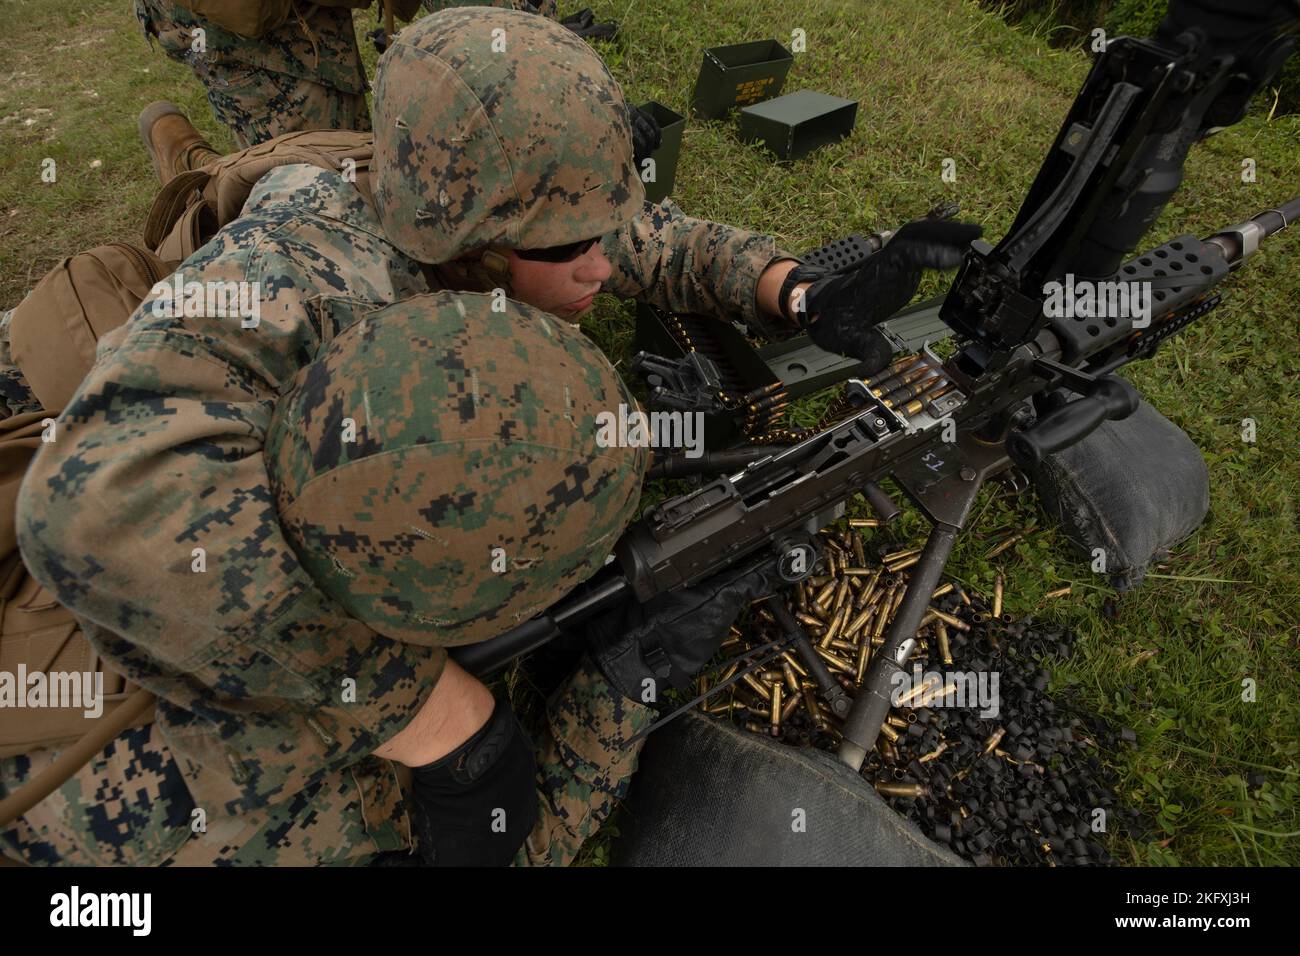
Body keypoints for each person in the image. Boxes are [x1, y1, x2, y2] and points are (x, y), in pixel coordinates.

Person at [4, 8, 976, 865]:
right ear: (474, 248)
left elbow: (628, 237)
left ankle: (179, 151)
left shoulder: (445, 195)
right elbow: (98, 510)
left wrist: (788, 287)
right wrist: (440, 714)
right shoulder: (314, 269)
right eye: (574, 244)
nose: (608, 263)